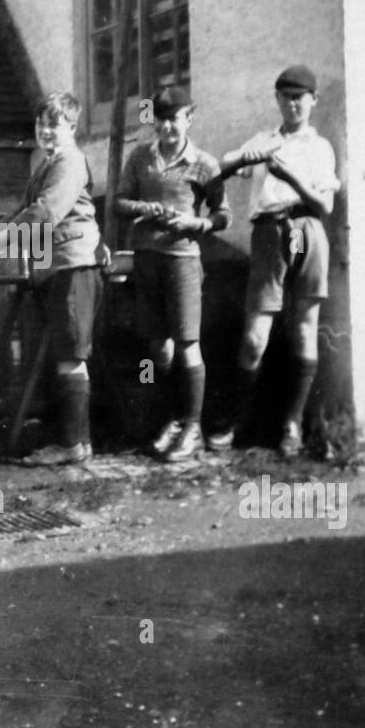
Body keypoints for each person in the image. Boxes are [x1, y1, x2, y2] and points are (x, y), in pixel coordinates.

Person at [208, 65, 339, 457]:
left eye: (300, 97)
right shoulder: (266, 139)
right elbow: (224, 165)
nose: (293, 104)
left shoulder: (321, 147)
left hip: (308, 230)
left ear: (312, 101)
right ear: (277, 100)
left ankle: (292, 425)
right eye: (286, 97)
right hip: (269, 234)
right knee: (254, 338)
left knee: (303, 330)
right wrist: (246, 157)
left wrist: (294, 177)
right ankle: (233, 422)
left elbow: (325, 206)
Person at [0, 92, 103, 466]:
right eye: (41, 124)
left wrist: (0, 239)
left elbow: (46, 213)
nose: (46, 131)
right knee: (65, 354)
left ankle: (70, 446)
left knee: (71, 354)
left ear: (72, 128)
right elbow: (24, 210)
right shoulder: (47, 164)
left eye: (55, 124)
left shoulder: (69, 163)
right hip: (53, 267)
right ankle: (76, 443)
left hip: (72, 264)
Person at [114, 86, 230, 462]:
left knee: (187, 344)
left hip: (182, 260)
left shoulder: (205, 164)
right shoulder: (139, 157)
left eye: (174, 119)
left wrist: (194, 222)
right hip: (146, 260)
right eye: (161, 120)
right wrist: (143, 208)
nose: (167, 127)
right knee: (157, 348)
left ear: (189, 119)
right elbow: (118, 202)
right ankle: (173, 421)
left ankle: (193, 427)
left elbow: (223, 215)